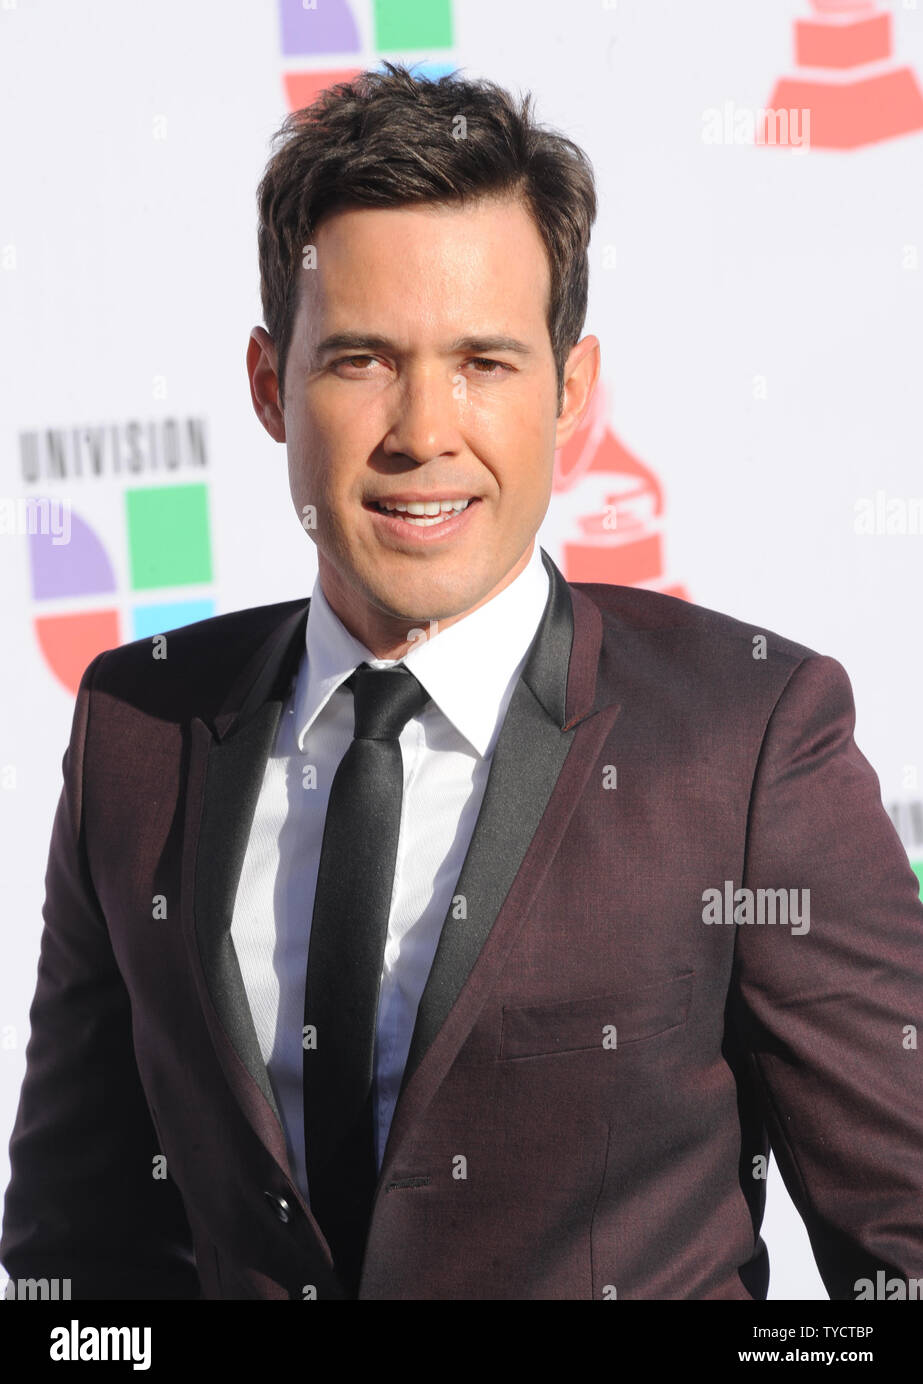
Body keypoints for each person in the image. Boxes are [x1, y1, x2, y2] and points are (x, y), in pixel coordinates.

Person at [2, 61, 922, 1302]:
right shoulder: (136, 729)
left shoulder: (746, 744)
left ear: (571, 394)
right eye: (363, 361)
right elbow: (79, 1256)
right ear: (271, 386)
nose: (423, 428)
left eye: (484, 362)